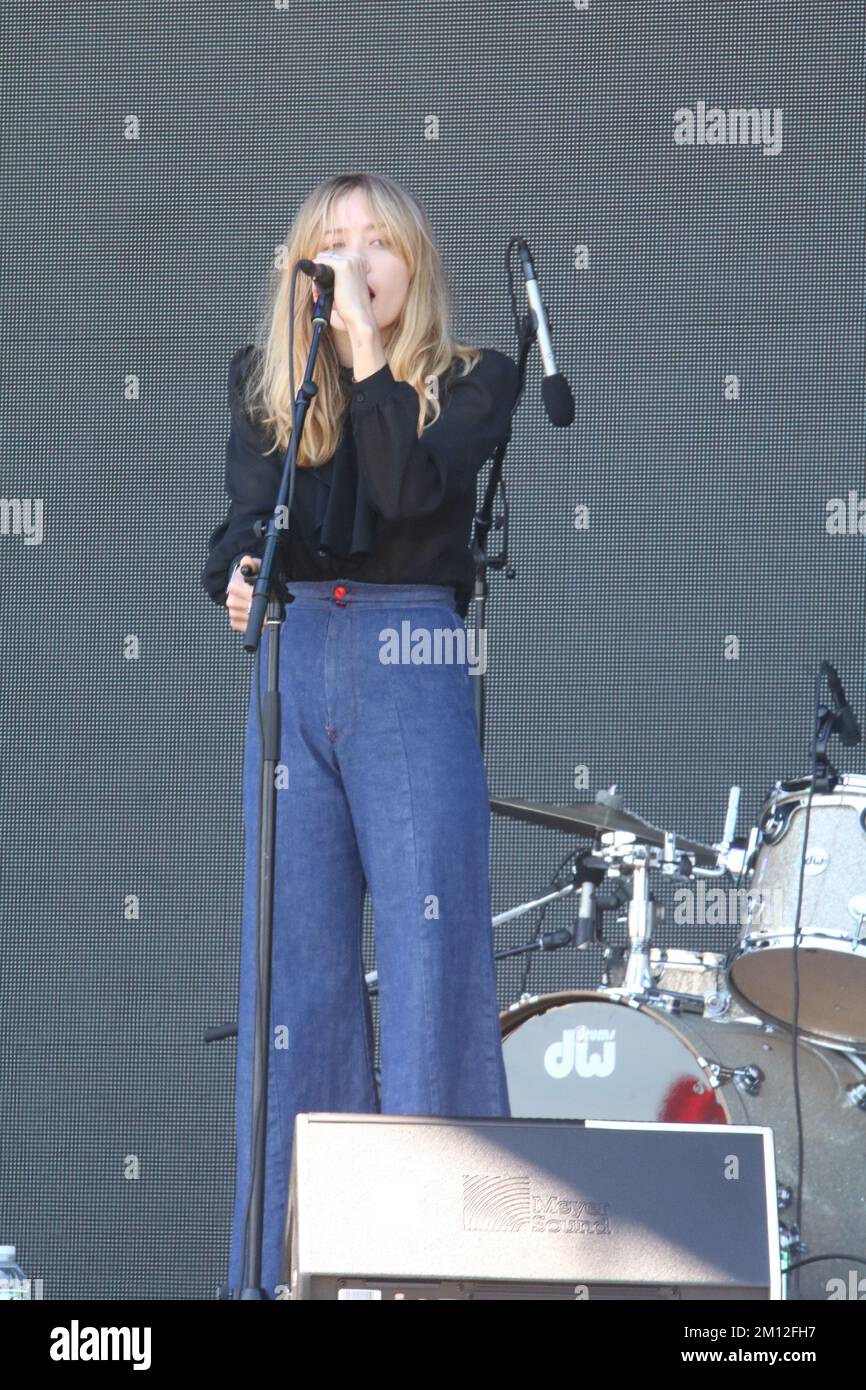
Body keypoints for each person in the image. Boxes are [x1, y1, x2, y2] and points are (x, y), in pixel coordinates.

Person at [201, 171, 519, 1299]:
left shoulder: (473, 378)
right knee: (295, 985)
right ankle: (281, 1278)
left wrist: (371, 351)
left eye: (373, 242)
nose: (350, 260)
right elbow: (243, 526)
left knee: (433, 968)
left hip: (407, 658)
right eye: (330, 244)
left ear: (410, 263)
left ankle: (450, 1273)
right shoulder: (267, 386)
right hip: (299, 660)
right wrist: (239, 575)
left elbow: (402, 492)